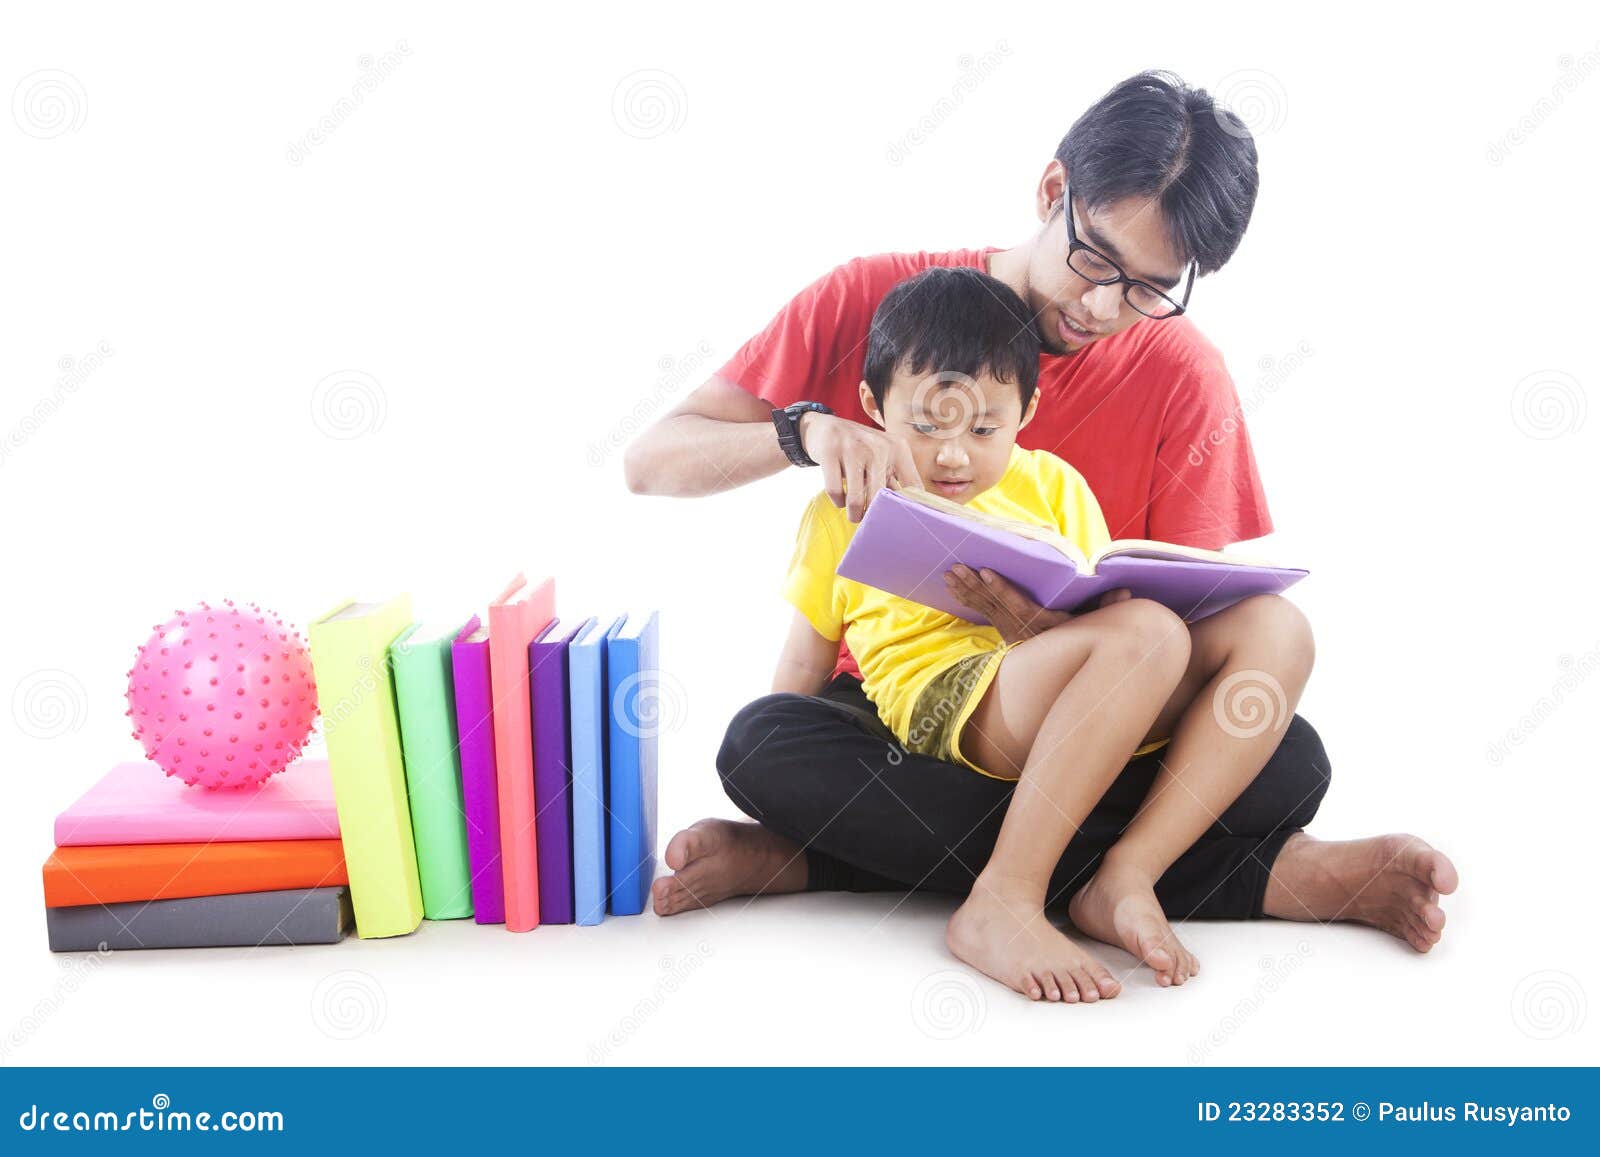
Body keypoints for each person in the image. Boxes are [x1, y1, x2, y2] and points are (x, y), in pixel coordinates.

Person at [626, 71, 1456, 967]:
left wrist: (1063, 636)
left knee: (1286, 751)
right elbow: (651, 461)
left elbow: (1180, 632)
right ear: (1054, 191)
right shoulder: (877, 298)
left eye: (1148, 288)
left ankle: (874, 859)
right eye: (1096, 259)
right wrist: (802, 430)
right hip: (898, 721)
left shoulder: (1184, 375)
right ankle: (1269, 877)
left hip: (1091, 698)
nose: (1104, 308)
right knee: (767, 744)